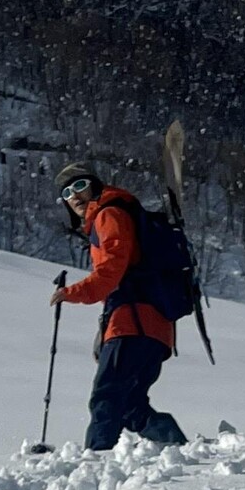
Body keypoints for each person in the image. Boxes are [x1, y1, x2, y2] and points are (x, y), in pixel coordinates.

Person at [50, 163, 188, 452]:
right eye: (66, 192)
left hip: (132, 321)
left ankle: (95, 463)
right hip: (155, 327)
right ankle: (176, 446)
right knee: (130, 405)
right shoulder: (118, 214)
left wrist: (71, 293)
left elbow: (111, 270)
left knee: (107, 397)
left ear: (95, 187)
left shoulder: (109, 213)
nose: (73, 195)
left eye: (79, 185)